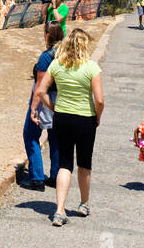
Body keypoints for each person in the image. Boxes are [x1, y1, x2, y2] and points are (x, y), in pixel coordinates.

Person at [34, 28, 104, 227]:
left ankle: (59, 210)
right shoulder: (92, 68)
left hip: (62, 118)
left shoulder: (57, 64)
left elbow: (40, 90)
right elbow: (99, 100)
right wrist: (97, 117)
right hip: (85, 119)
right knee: (84, 163)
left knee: (65, 163)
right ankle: (83, 203)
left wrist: (54, 107)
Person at [21, 24, 64, 191]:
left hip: (44, 100)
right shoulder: (65, 54)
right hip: (59, 100)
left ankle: (37, 178)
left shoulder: (46, 57)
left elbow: (40, 85)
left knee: (30, 135)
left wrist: (33, 109)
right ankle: (54, 176)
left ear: (48, 35)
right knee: (54, 137)